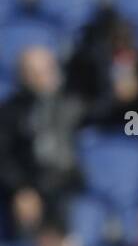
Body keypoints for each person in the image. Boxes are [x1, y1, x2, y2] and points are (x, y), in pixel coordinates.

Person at [0, 47, 83, 234]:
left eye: (47, 70)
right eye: (34, 72)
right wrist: (21, 188)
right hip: (26, 191)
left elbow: (125, 119)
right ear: (22, 76)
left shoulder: (73, 105)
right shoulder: (9, 112)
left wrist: (132, 111)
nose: (42, 77)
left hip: (66, 189)